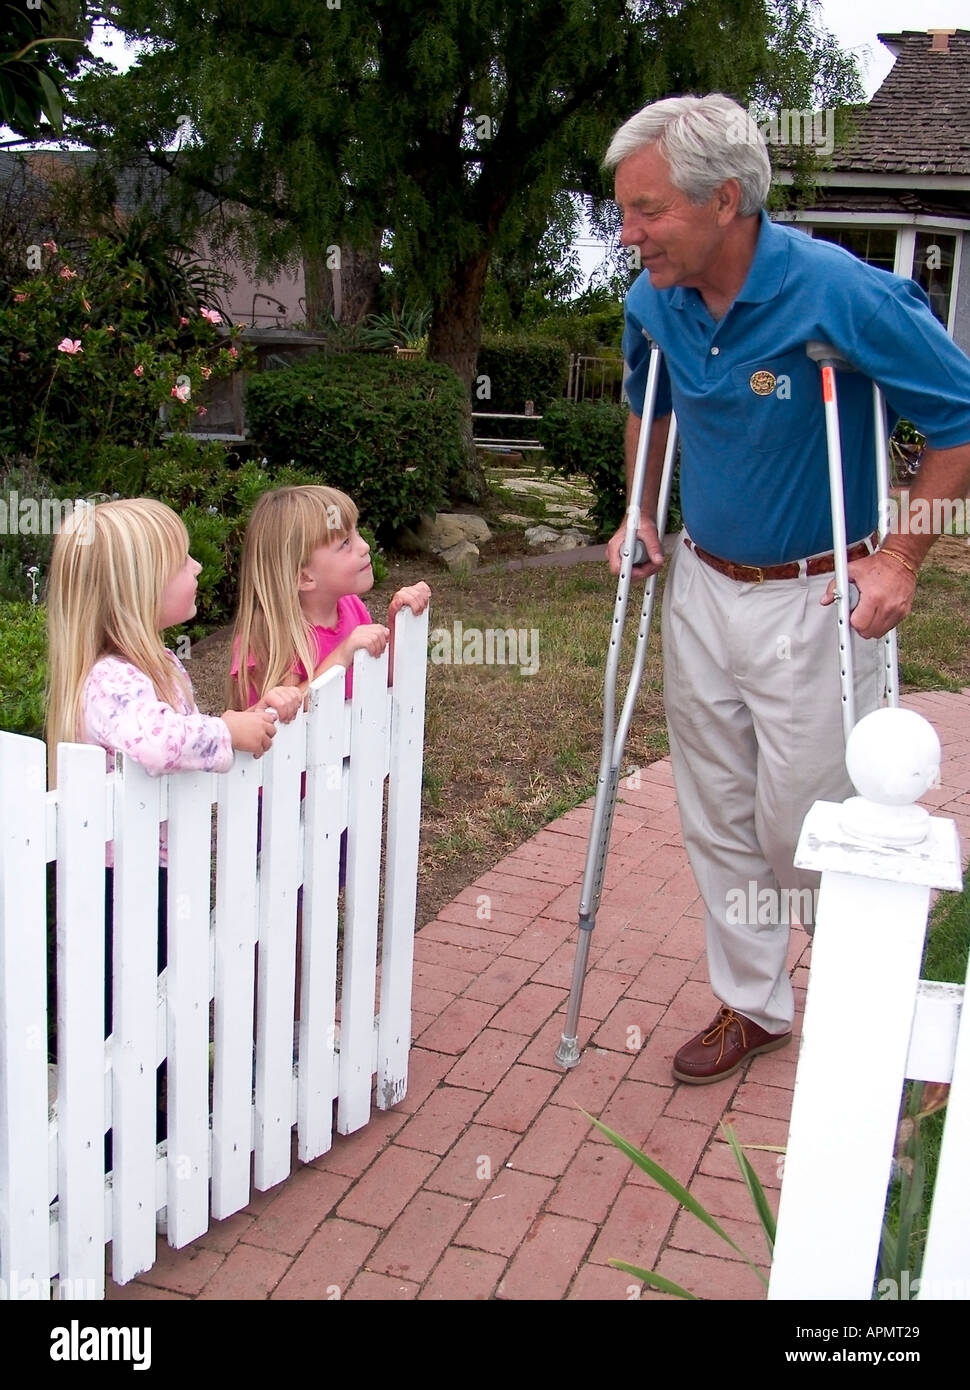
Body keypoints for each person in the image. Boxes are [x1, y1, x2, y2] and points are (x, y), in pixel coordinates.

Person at [603, 94, 970, 1084]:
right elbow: (651, 405)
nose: (628, 234)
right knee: (714, 808)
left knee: (801, 820)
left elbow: (958, 425)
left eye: (647, 211)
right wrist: (637, 512)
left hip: (814, 596)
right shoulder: (654, 300)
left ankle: (876, 968)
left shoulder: (838, 294)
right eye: (623, 212)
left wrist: (898, 559)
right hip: (702, 584)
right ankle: (753, 1003)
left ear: (724, 199)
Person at [227, 484, 430, 711]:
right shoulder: (271, 636)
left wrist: (397, 621)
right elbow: (282, 716)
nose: (364, 546)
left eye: (357, 532)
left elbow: (384, 680)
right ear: (304, 577)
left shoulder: (351, 606)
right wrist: (341, 656)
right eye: (345, 543)